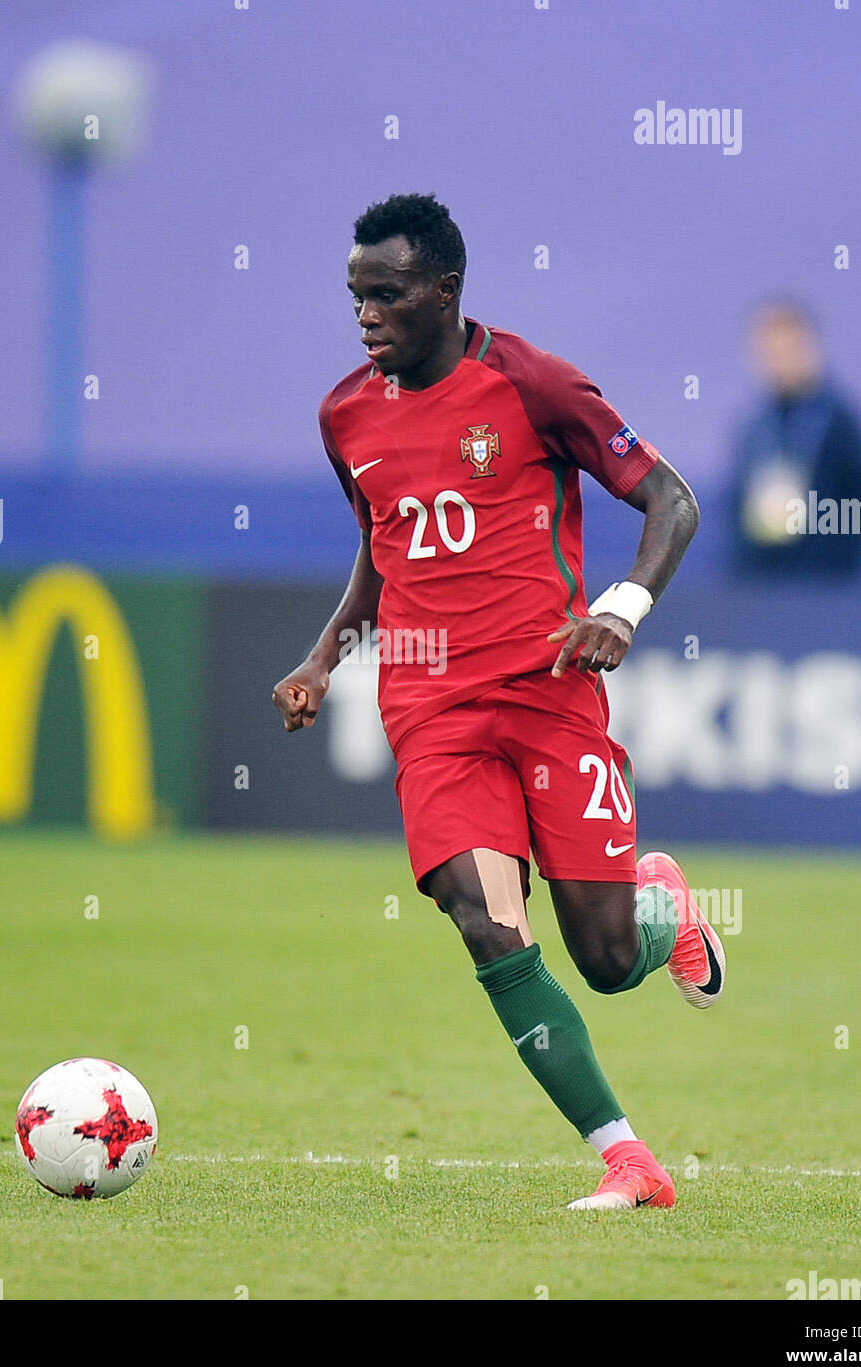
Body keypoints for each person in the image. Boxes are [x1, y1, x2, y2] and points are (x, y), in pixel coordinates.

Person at [272, 193, 724, 1211]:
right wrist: (322, 659)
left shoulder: (532, 384)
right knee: (486, 922)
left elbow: (672, 501)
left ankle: (663, 909)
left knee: (606, 959)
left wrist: (623, 603)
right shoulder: (345, 414)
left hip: (550, 698)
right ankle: (628, 1159)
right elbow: (383, 549)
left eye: (385, 295)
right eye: (355, 296)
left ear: (444, 292)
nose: (366, 315)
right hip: (432, 713)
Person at [730, 299, 861, 577]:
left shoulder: (839, 424)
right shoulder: (755, 426)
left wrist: (837, 574)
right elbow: (738, 511)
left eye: (787, 352)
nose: (778, 363)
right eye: (769, 353)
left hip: (825, 585)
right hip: (761, 585)